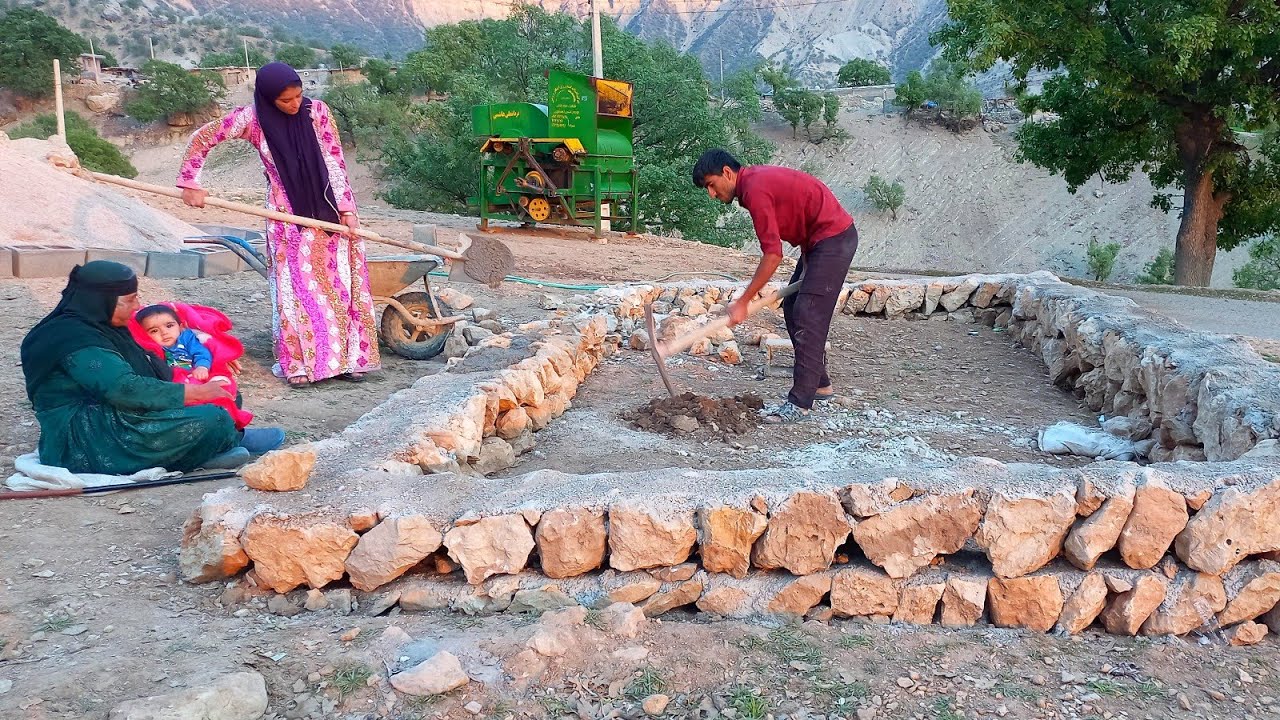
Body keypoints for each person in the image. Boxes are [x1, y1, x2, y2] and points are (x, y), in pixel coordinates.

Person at [176, 61, 380, 388]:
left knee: (342, 284)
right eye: (285, 100)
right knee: (296, 289)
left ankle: (350, 358)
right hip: (287, 216)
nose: (294, 104)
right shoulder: (252, 119)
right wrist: (190, 182)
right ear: (270, 98)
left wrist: (346, 208)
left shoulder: (318, 112)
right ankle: (298, 363)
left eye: (298, 96)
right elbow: (204, 137)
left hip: (329, 210)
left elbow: (334, 159)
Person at [19, 262, 283, 474]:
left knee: (224, 392)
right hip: (86, 435)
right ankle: (205, 448)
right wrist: (196, 393)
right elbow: (124, 389)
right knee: (212, 416)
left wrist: (209, 365)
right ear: (102, 300)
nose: (136, 307)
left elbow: (159, 348)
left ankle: (223, 440)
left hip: (113, 409)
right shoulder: (76, 340)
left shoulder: (99, 323)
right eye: (130, 300)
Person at [692, 148, 859, 423]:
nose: (711, 194)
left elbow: (773, 255)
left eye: (711, 185)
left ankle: (800, 403)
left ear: (727, 172)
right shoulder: (752, 185)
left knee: (808, 313)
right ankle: (820, 385)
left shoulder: (755, 190)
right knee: (794, 307)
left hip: (834, 240)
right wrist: (807, 260)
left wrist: (743, 301)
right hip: (817, 244)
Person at [136, 304, 213, 380]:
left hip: (193, 375)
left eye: (169, 326)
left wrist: (202, 367)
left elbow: (201, 353)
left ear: (181, 327)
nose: (164, 332)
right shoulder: (151, 348)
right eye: (154, 331)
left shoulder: (186, 338)